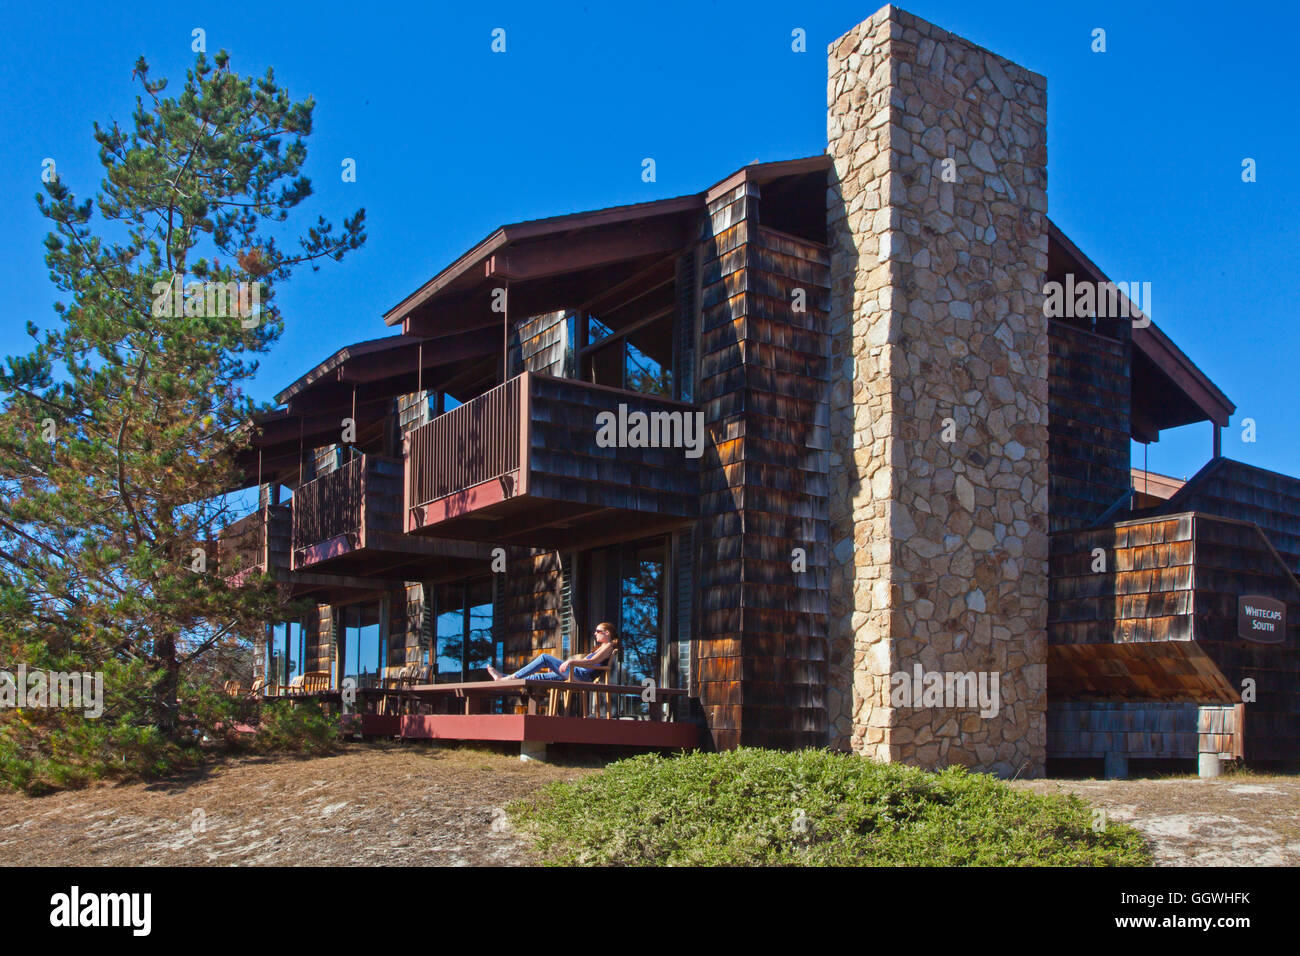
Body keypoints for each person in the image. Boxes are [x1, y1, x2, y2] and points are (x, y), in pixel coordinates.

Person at [486, 622, 618, 682]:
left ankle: (510, 678)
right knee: (539, 677)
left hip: (581, 676)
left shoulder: (609, 646)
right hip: (576, 673)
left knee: (544, 658)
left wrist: (570, 662)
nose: (595, 634)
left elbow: (593, 662)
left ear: (607, 633)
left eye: (598, 631)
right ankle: (504, 678)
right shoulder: (601, 647)